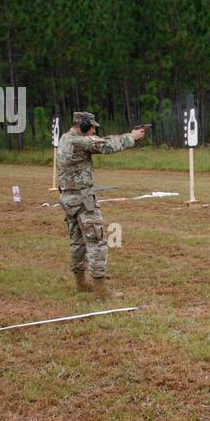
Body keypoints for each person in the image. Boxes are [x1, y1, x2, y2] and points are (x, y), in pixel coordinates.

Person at [56, 112, 146, 296]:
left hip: (69, 197)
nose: (94, 130)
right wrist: (132, 137)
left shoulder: (66, 138)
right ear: (83, 126)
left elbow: (99, 140)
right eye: (92, 127)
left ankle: (80, 283)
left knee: (77, 242)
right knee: (96, 240)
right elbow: (105, 145)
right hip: (82, 199)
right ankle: (100, 289)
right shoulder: (78, 142)